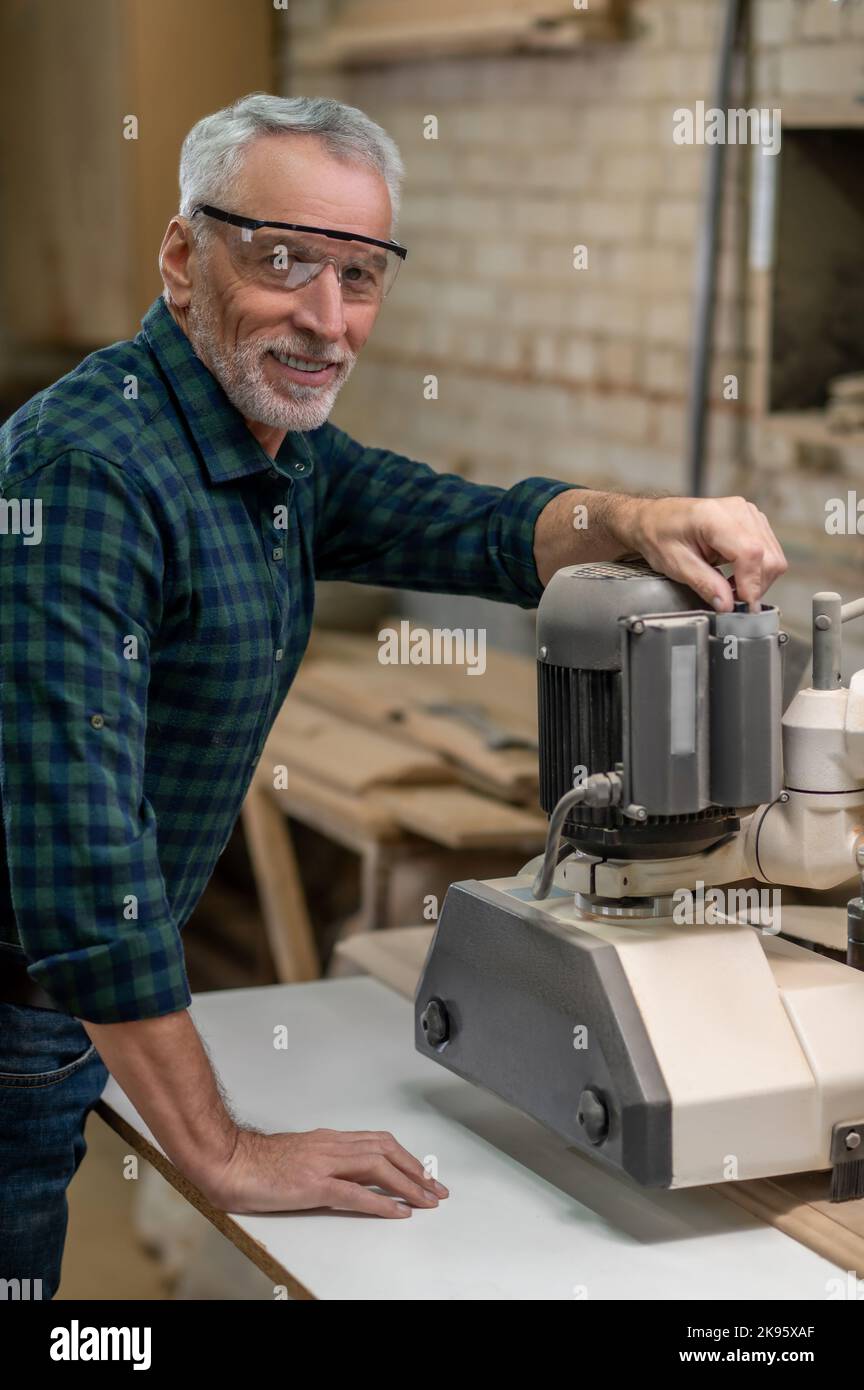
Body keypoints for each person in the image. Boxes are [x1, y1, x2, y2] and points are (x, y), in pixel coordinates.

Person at [0, 93, 786, 1298]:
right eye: (284, 260)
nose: (327, 319)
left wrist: (634, 518)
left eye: (360, 275)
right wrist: (220, 1152)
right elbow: (80, 867)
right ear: (180, 254)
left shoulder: (272, 449)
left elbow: (473, 525)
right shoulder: (92, 472)